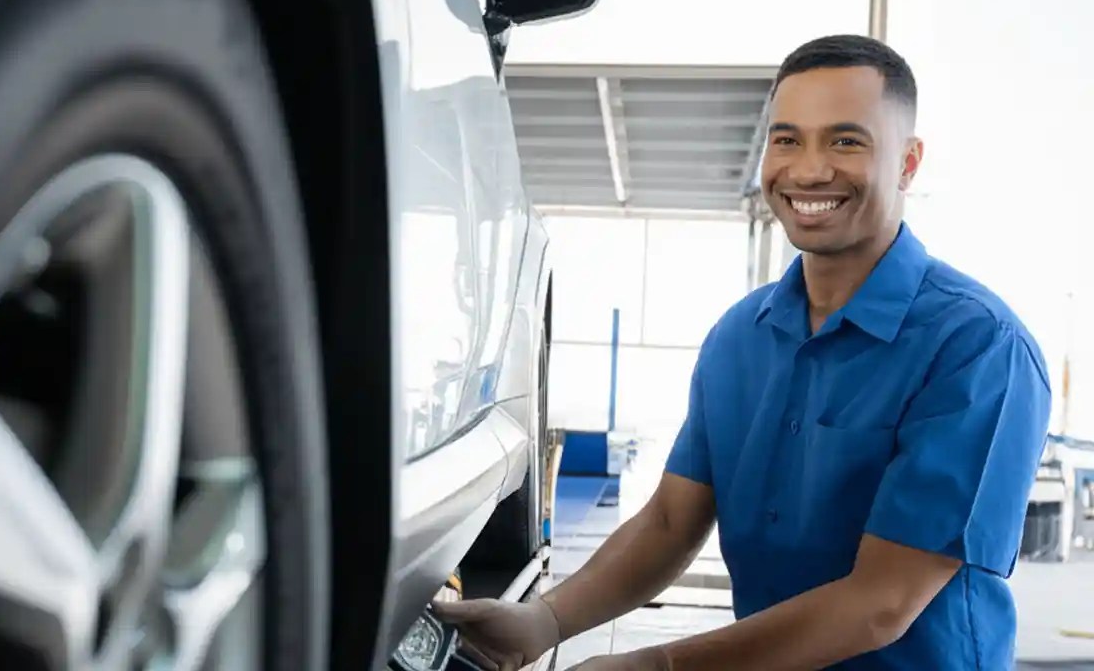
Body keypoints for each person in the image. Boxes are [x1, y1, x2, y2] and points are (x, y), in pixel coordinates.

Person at [434, 34, 1052, 670]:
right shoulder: (740, 337)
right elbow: (673, 521)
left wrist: (662, 666)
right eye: (787, 139)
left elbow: (881, 602)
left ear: (908, 163)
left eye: (846, 141)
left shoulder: (979, 349)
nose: (809, 170)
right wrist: (543, 620)